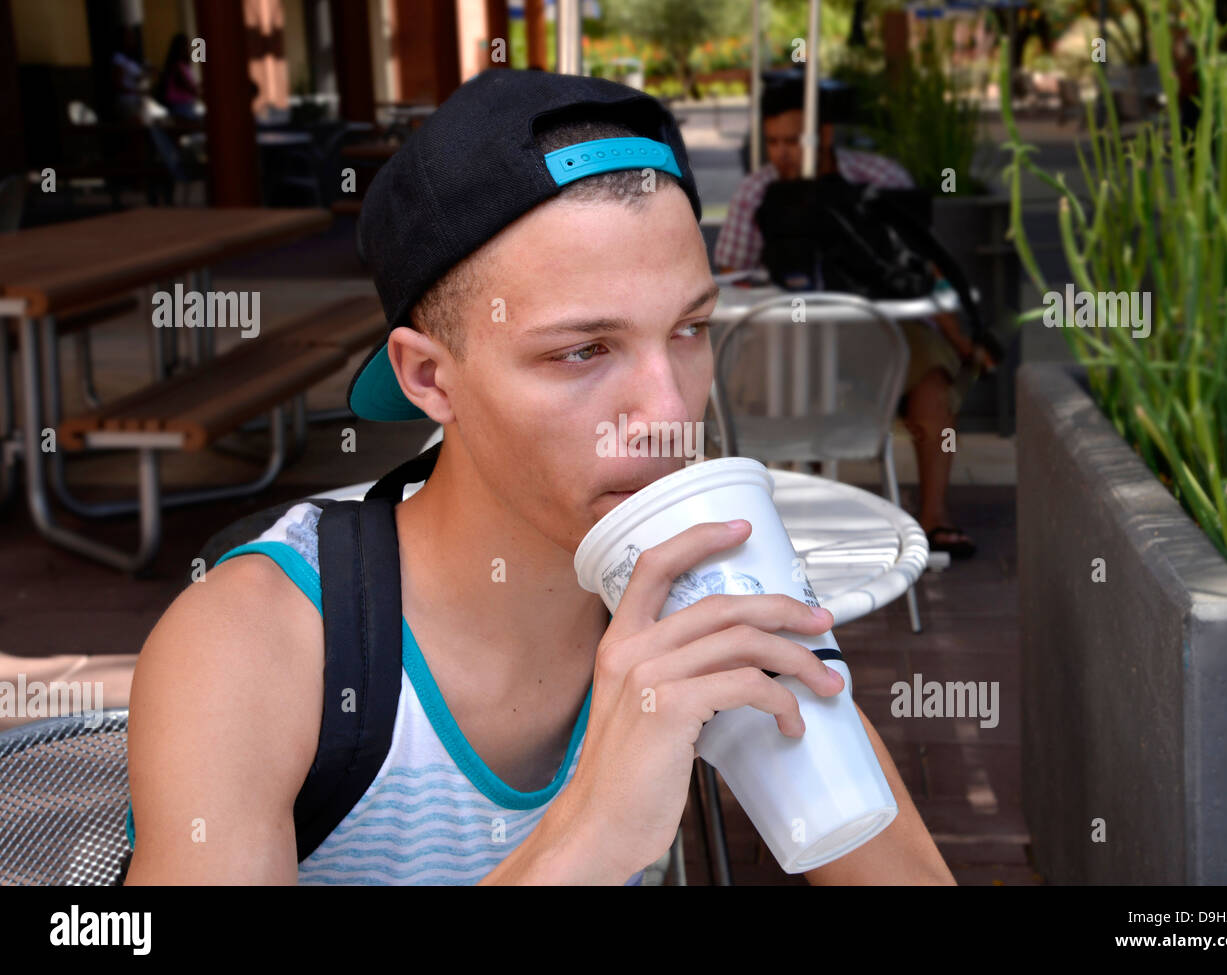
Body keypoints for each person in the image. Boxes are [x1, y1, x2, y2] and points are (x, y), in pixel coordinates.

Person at [123, 70, 955, 885]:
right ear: (430, 379)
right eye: (583, 350)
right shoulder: (254, 646)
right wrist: (583, 842)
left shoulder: (700, 591)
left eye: (690, 328)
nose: (669, 414)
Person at [714, 81, 995, 558]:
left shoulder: (880, 178)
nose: (782, 153)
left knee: (933, 382)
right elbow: (729, 274)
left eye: (793, 141)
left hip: (876, 332)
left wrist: (961, 338)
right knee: (740, 381)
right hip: (785, 334)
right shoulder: (756, 192)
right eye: (774, 142)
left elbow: (922, 266)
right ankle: (747, 527)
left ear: (824, 134)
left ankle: (934, 518)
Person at [153, 33, 204, 121]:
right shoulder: (178, 67)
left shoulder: (184, 66)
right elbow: (190, 88)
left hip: (186, 106)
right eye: (186, 46)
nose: (188, 49)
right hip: (180, 108)